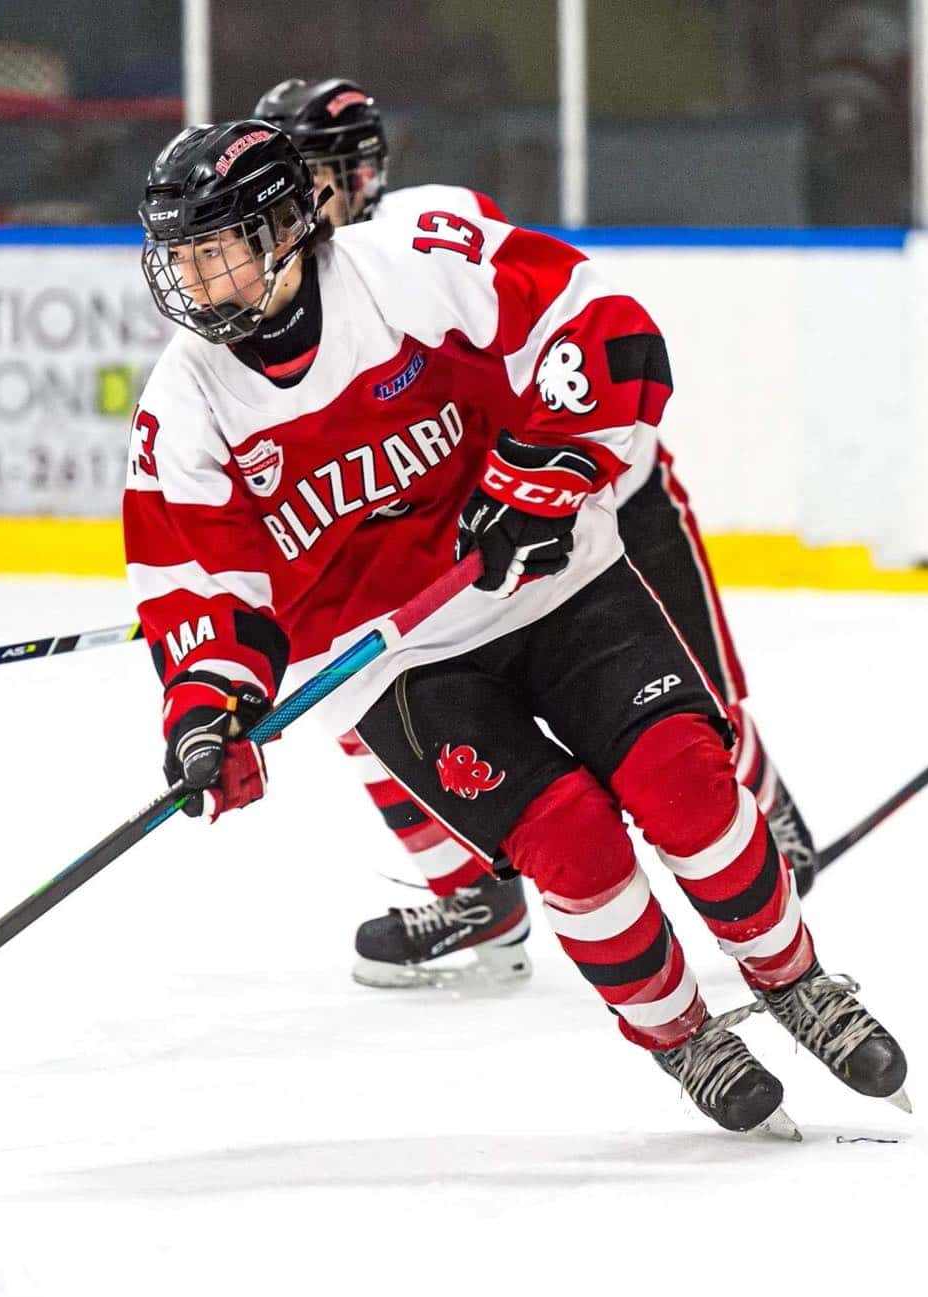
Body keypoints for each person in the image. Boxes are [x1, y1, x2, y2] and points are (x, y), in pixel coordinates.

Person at [123, 117, 909, 1136]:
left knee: (684, 777)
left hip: (553, 585)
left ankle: (796, 981)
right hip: (394, 667)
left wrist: (544, 474)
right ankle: (680, 1035)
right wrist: (206, 709)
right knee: (573, 844)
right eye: (178, 255)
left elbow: (597, 324)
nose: (191, 278)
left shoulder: (412, 266)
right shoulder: (184, 405)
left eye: (212, 249)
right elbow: (199, 585)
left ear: (283, 229)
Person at [252, 76, 821, 989]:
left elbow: (558, 346)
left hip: (608, 498)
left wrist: (540, 479)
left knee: (686, 705)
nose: (296, 201)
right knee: (356, 693)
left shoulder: (425, 228)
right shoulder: (287, 305)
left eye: (313, 173)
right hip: (490, 539)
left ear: (360, 171)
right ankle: (477, 894)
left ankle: (766, 817)